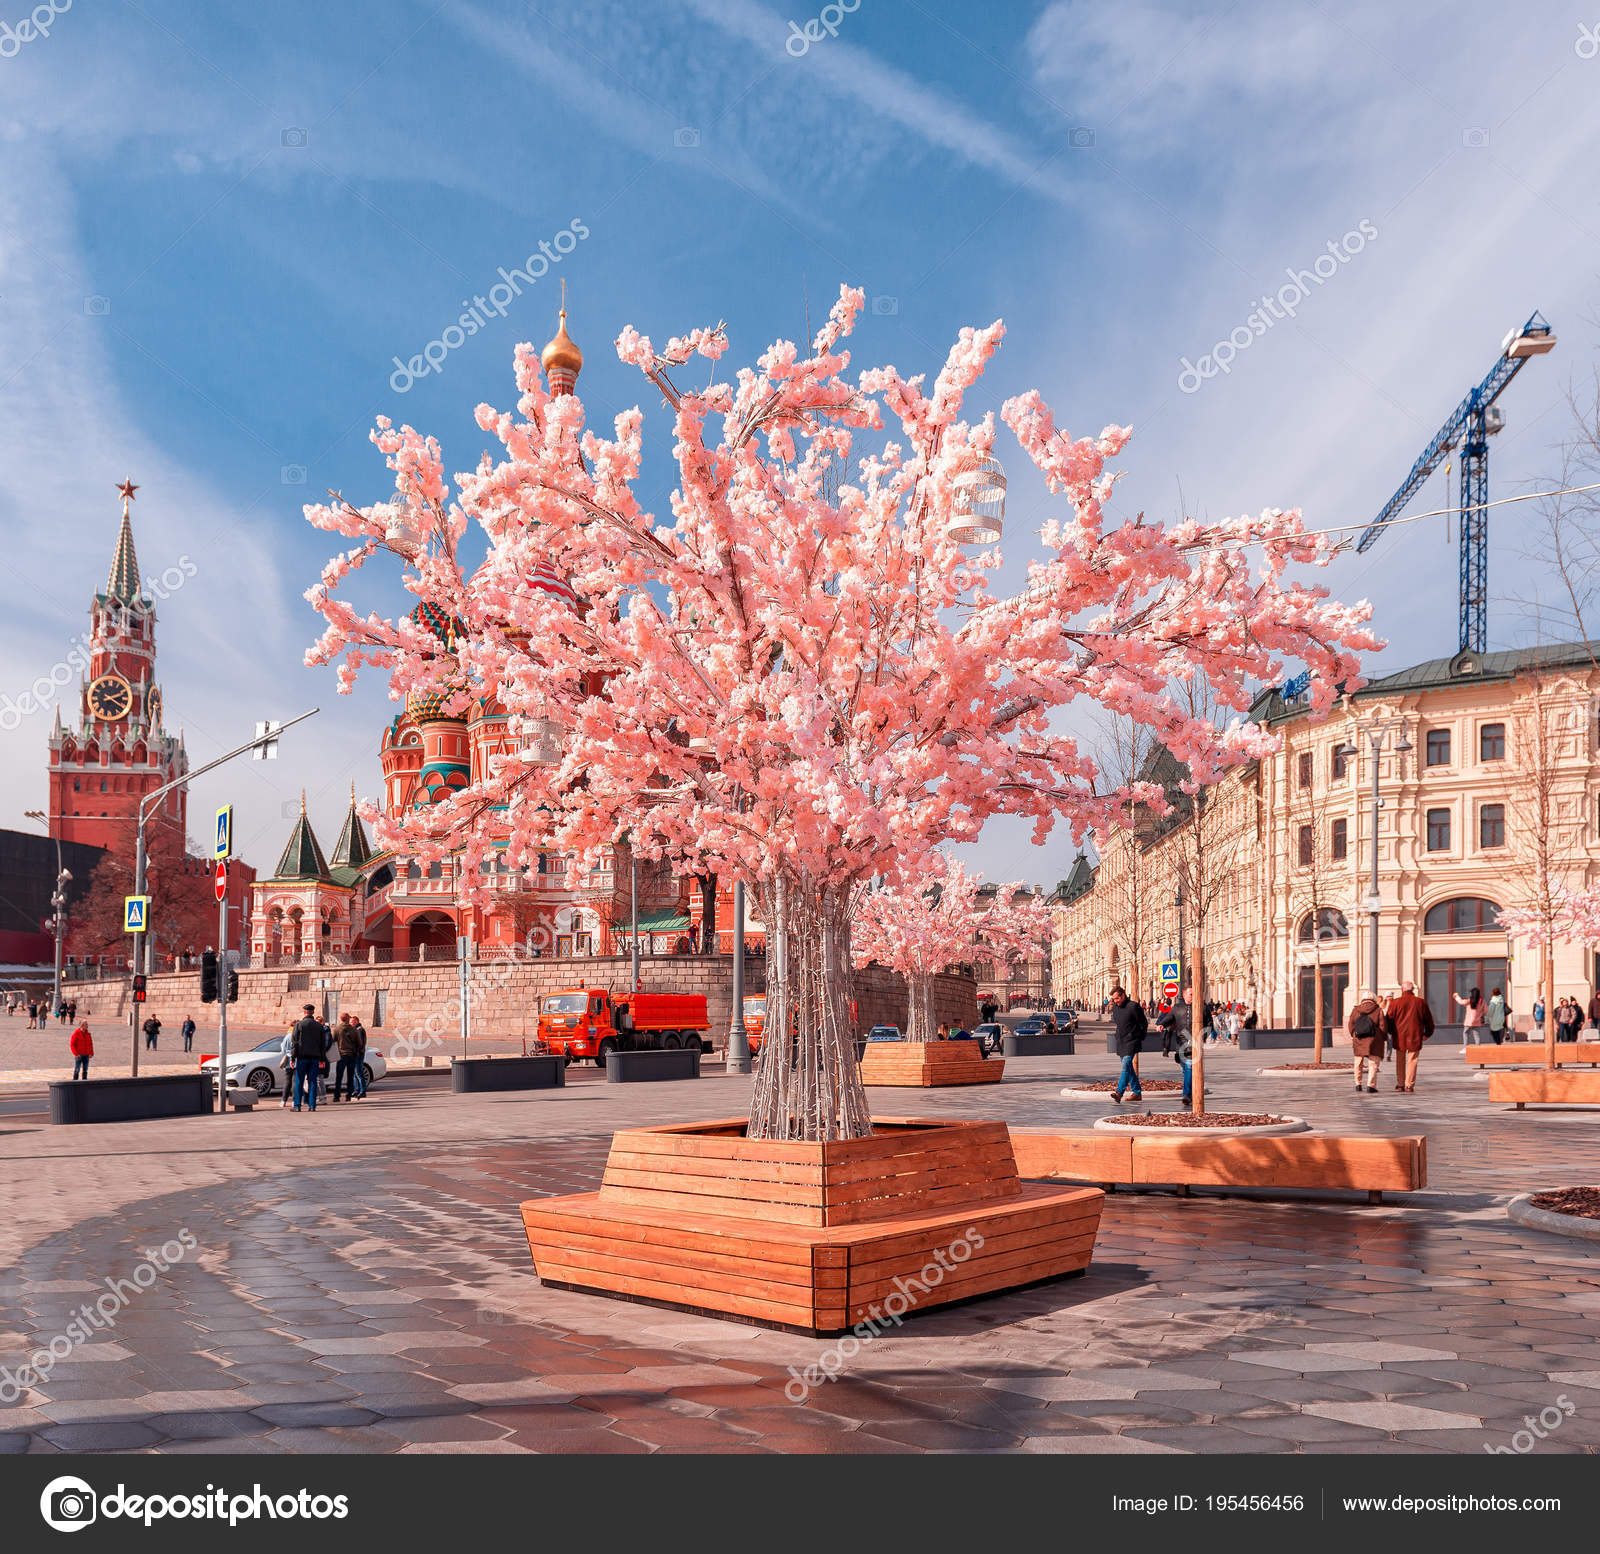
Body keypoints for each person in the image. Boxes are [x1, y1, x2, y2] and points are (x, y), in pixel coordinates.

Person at [1387, 979, 1433, 1092]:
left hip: (1399, 1036)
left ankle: (1400, 1083)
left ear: (1402, 989)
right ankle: (1409, 1084)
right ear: (1412, 989)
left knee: (1400, 1059)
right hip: (1415, 1035)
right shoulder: (1420, 1002)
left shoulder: (1395, 1003)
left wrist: (1392, 1032)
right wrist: (1427, 1033)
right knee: (1413, 1060)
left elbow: (1389, 1020)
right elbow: (1428, 1020)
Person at [1109, 985, 1147, 1104]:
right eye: (1113, 999)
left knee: (1126, 1064)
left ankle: (1119, 1092)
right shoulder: (1115, 1008)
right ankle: (1137, 1092)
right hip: (1121, 1041)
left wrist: (1139, 1037)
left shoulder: (1133, 1006)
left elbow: (1143, 1023)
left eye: (1117, 999)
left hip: (1132, 1041)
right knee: (1128, 1068)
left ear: (1123, 995)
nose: (1115, 1001)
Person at [289, 1004, 331, 1112]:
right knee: (312, 1081)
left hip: (302, 1058)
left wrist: (292, 1058)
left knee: (299, 1081)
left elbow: (294, 1043)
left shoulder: (299, 1025)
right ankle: (312, 1106)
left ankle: (297, 1105)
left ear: (304, 1012)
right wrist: (322, 1059)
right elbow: (322, 1045)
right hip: (315, 1058)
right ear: (313, 1012)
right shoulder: (319, 1026)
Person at [1157, 988, 1194, 1107]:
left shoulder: (1201, 1007)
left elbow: (1209, 1022)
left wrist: (1203, 1036)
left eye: (1194, 994)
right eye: (1191, 994)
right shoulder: (1177, 1008)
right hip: (1181, 1043)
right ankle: (1192, 1092)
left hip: (1195, 1043)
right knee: (1186, 1070)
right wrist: (1162, 1024)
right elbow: (1169, 1018)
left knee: (1189, 1067)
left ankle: (1187, 1095)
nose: (1193, 996)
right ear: (1184, 995)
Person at [1348, 994, 1387, 1093]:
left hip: (1359, 1039)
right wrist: (1382, 1037)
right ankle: (1371, 1085)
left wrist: (1354, 1034)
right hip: (1373, 1040)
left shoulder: (1356, 1010)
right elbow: (1382, 1026)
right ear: (1374, 1000)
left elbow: (1351, 1024)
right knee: (1373, 1063)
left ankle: (1358, 1084)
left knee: (1358, 1062)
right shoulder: (1378, 1010)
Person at [331, 1014, 363, 1102]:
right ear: (348, 1019)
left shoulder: (337, 1029)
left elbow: (332, 1041)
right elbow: (359, 1043)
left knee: (339, 1077)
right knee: (350, 1076)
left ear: (341, 1019)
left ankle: (336, 1096)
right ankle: (349, 1095)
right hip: (351, 1055)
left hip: (341, 1055)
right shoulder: (354, 1029)